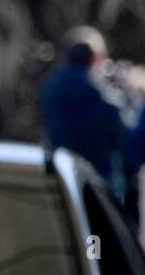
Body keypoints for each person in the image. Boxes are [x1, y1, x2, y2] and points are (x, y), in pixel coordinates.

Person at [41, 26, 136, 219]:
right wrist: (129, 94)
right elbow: (129, 139)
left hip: (62, 177)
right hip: (101, 183)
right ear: (96, 59)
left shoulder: (50, 89)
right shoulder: (103, 96)